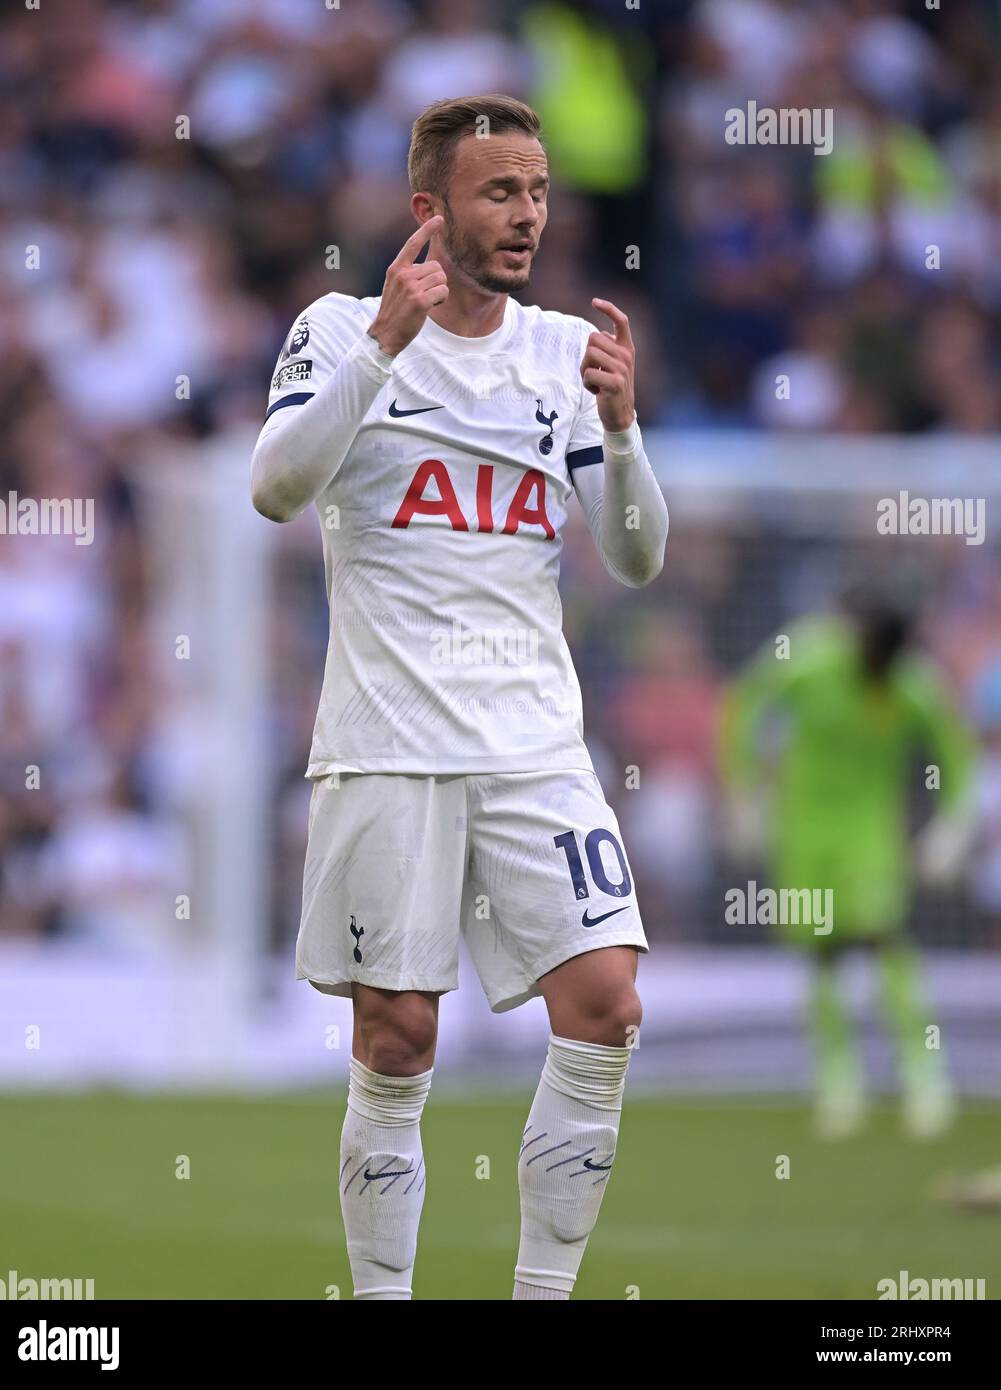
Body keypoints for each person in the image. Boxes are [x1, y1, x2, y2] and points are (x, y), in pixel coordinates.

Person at [249, 94, 669, 1300]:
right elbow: (276, 490)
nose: (527, 214)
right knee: (398, 1036)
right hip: (389, 742)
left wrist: (623, 431)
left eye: (537, 191)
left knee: (607, 1002)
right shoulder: (337, 330)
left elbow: (636, 556)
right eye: (500, 192)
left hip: (534, 739)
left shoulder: (557, 355)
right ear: (430, 208)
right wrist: (384, 344)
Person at [719, 576, 976, 1140]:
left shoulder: (911, 686)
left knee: (883, 940)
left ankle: (924, 1074)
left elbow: (956, 756)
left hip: (870, 836)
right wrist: (742, 792)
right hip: (803, 833)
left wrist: (952, 827)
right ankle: (839, 1081)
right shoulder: (808, 662)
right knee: (823, 957)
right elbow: (746, 705)